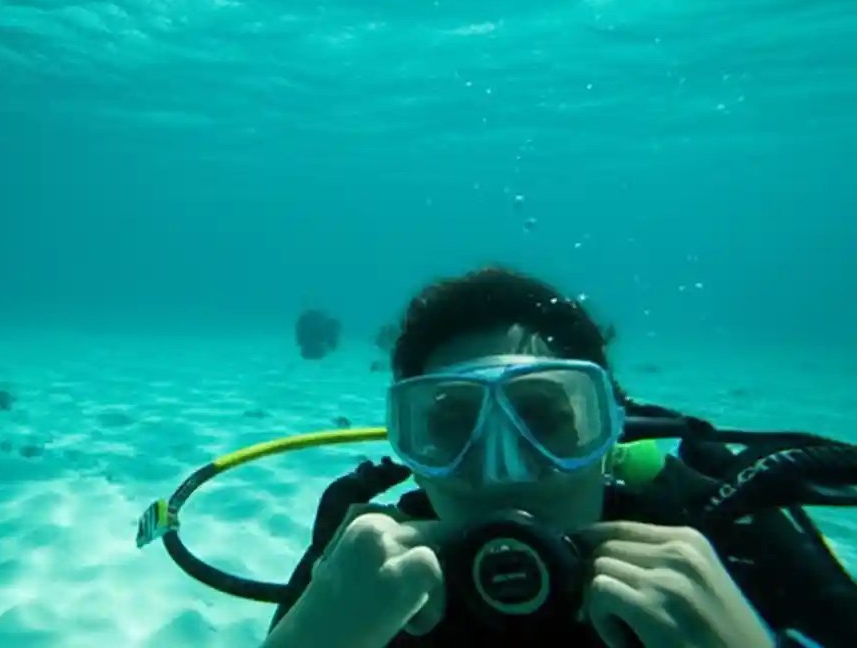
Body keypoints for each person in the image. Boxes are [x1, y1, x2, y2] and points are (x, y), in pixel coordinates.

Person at [263, 266, 856, 647]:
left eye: (544, 419)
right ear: (410, 450)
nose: (503, 472)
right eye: (451, 426)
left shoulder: (724, 536)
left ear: (610, 431)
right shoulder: (361, 568)